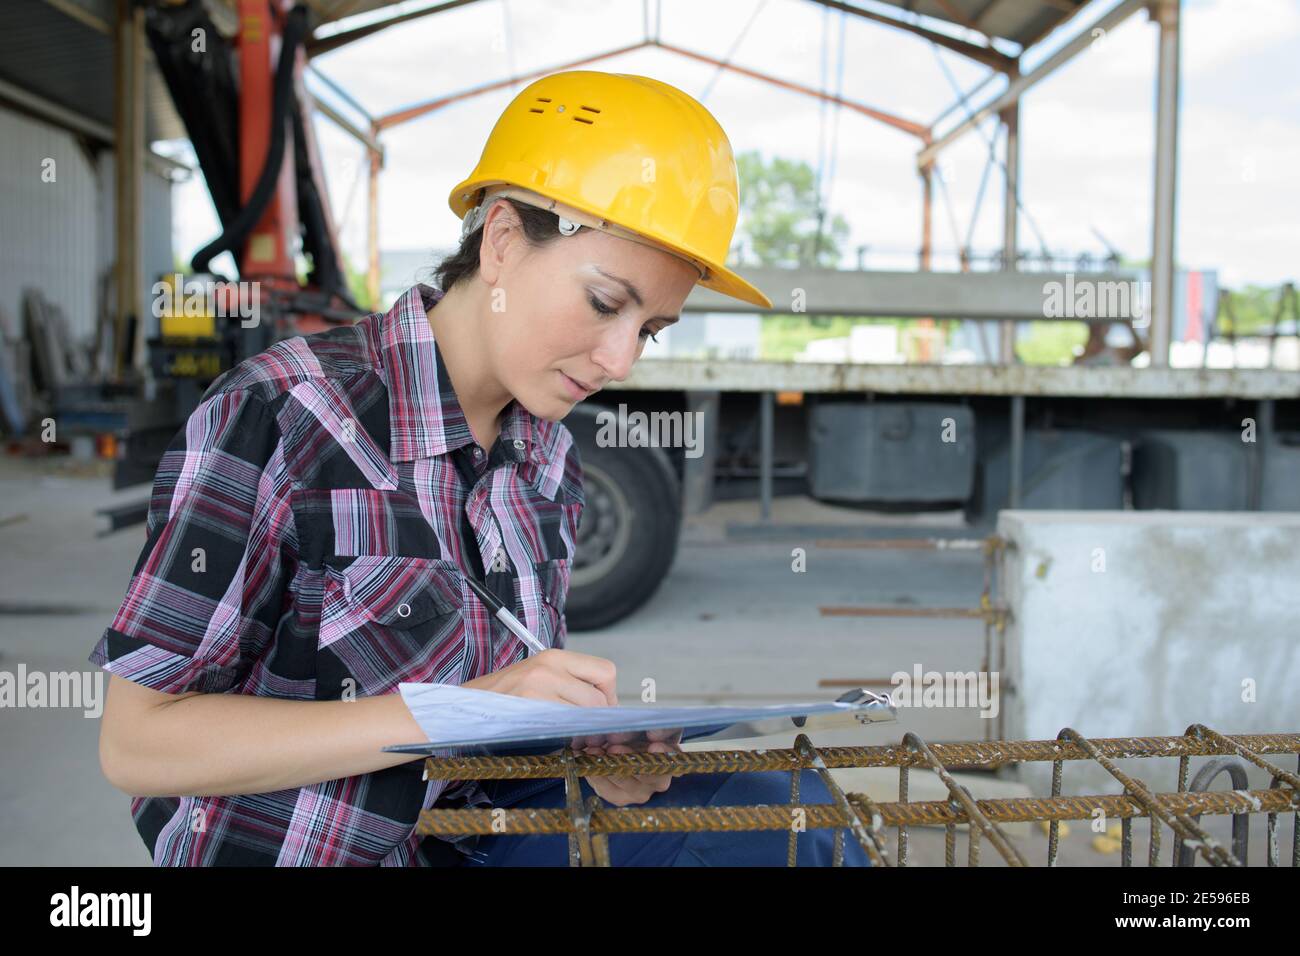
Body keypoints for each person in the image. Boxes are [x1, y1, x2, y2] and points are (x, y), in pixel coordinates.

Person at [90, 69, 869, 866]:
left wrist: (581, 747)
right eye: (606, 303)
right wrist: (451, 712)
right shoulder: (279, 418)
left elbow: (501, 717)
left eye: (652, 330)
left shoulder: (546, 457)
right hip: (310, 852)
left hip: (469, 832)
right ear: (500, 240)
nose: (620, 359)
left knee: (794, 818)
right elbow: (139, 743)